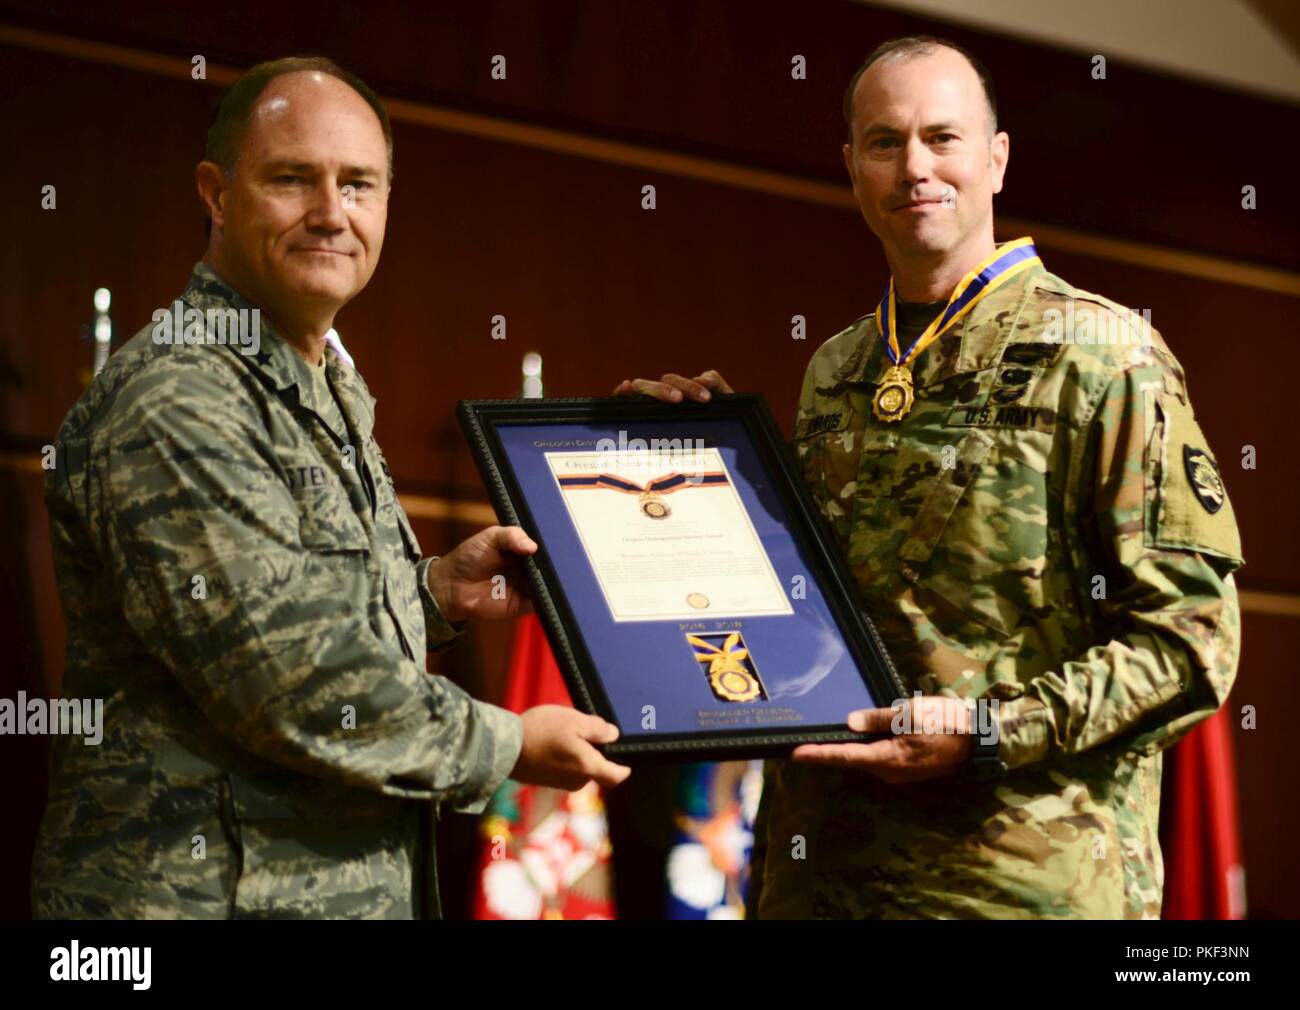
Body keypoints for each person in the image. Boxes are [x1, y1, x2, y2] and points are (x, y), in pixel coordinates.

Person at [616, 35, 1243, 919]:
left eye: (943, 138)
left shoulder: (1105, 353)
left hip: (1020, 883)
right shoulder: (835, 366)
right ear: (851, 167)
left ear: (996, 158)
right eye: (886, 141)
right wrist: (691, 470)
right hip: (819, 873)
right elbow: (807, 613)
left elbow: (1192, 646)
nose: (915, 166)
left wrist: (987, 734)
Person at [34, 56, 628, 920]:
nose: (331, 214)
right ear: (215, 193)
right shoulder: (180, 396)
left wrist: (431, 593)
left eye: (359, 184)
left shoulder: (320, 380)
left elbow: (294, 602)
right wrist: (504, 744)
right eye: (291, 179)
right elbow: (284, 680)